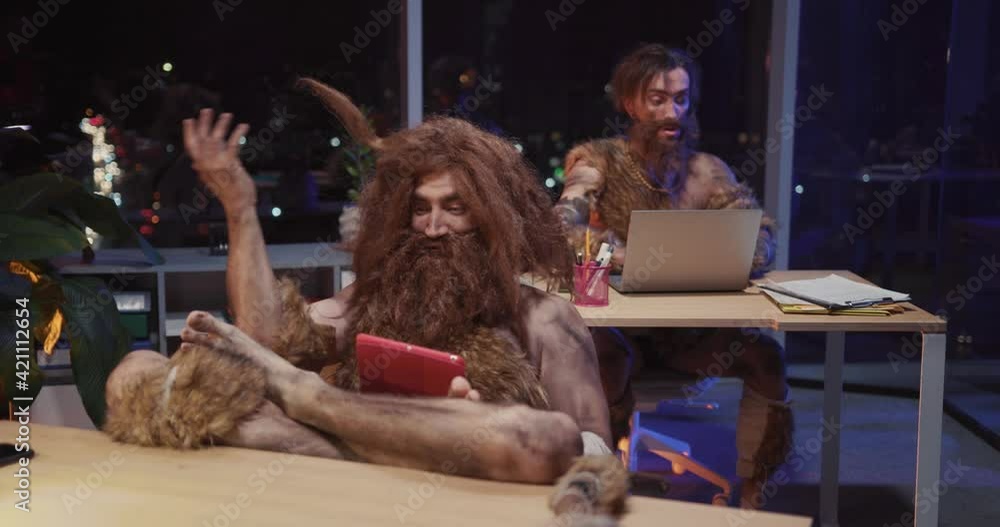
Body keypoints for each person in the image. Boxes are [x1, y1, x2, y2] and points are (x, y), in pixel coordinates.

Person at [103, 78, 614, 486]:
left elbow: (593, 455)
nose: (434, 228)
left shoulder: (545, 319)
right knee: (134, 368)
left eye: (455, 209)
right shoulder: (377, 301)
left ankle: (310, 401)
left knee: (544, 436)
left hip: (481, 479)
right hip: (368, 487)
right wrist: (240, 208)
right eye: (420, 209)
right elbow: (266, 337)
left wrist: (467, 426)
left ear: (495, 218)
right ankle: (337, 432)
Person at [554, 44, 790, 508]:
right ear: (629, 103)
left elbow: (759, 238)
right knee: (604, 355)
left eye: (681, 99)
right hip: (622, 336)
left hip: (692, 340)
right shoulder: (596, 160)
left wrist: (739, 251)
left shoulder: (707, 171)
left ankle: (753, 500)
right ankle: (602, 491)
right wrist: (620, 254)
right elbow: (562, 225)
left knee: (766, 358)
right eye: (658, 98)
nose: (672, 111)